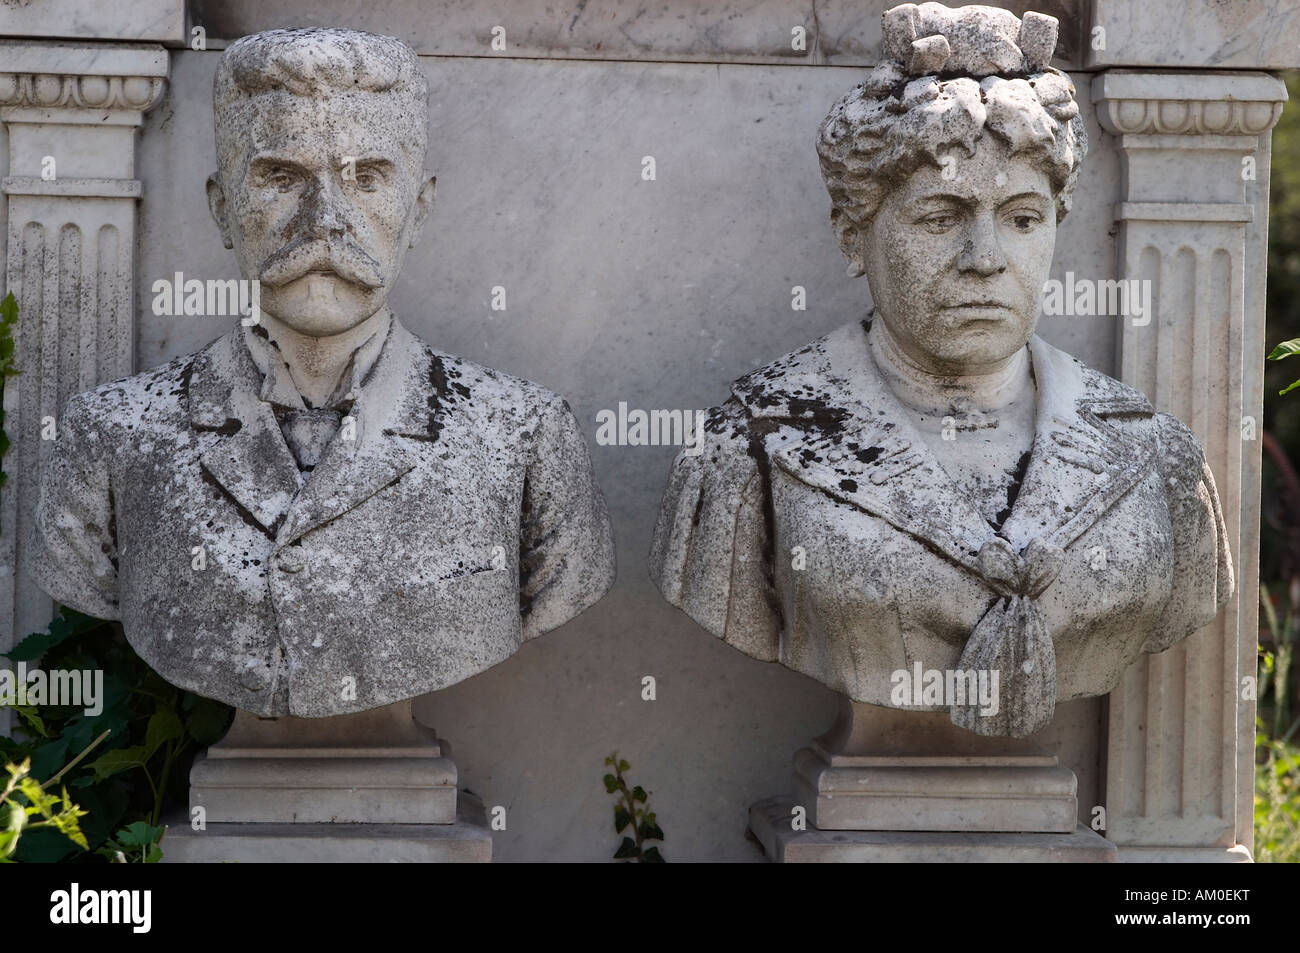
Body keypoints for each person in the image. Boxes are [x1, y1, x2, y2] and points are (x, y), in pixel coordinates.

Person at [649, 3, 1233, 737]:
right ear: (854, 235)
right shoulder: (751, 447)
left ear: (1057, 221)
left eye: (1021, 219)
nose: (984, 258)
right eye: (940, 217)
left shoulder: (1158, 458)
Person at [30, 28, 616, 718]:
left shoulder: (525, 435)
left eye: (367, 178)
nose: (326, 220)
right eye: (282, 177)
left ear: (419, 207)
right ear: (222, 207)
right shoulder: (111, 434)